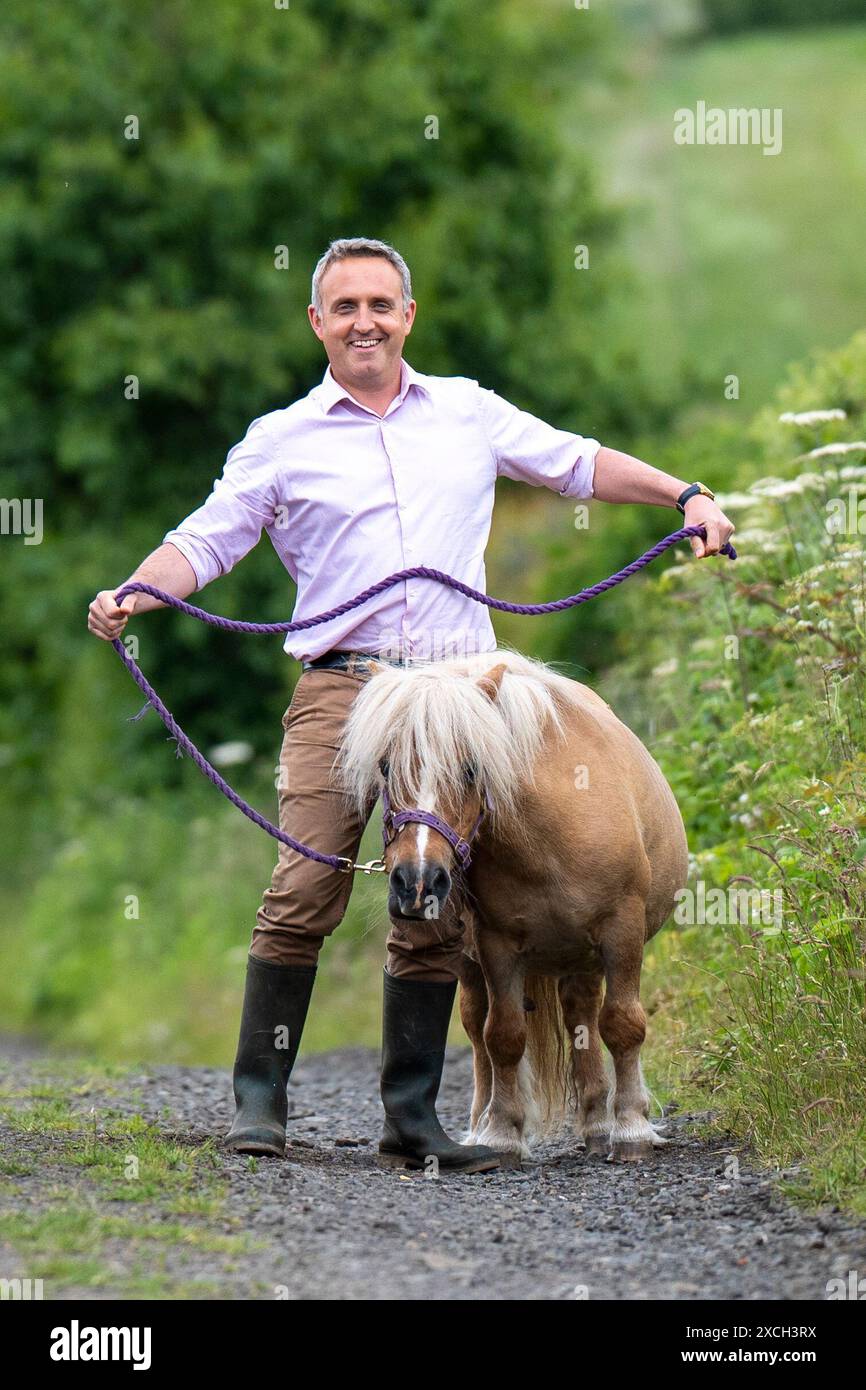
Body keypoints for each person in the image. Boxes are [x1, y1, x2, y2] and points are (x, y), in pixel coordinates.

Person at [88, 236, 735, 1174]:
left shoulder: (467, 412)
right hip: (344, 692)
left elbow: (578, 464)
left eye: (380, 305)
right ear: (317, 322)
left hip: (461, 699)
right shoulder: (281, 439)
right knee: (303, 890)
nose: (364, 321)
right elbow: (207, 540)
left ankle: (413, 1119)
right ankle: (259, 1103)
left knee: (432, 902)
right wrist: (137, 593)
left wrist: (687, 494)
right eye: (344, 306)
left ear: (408, 317)